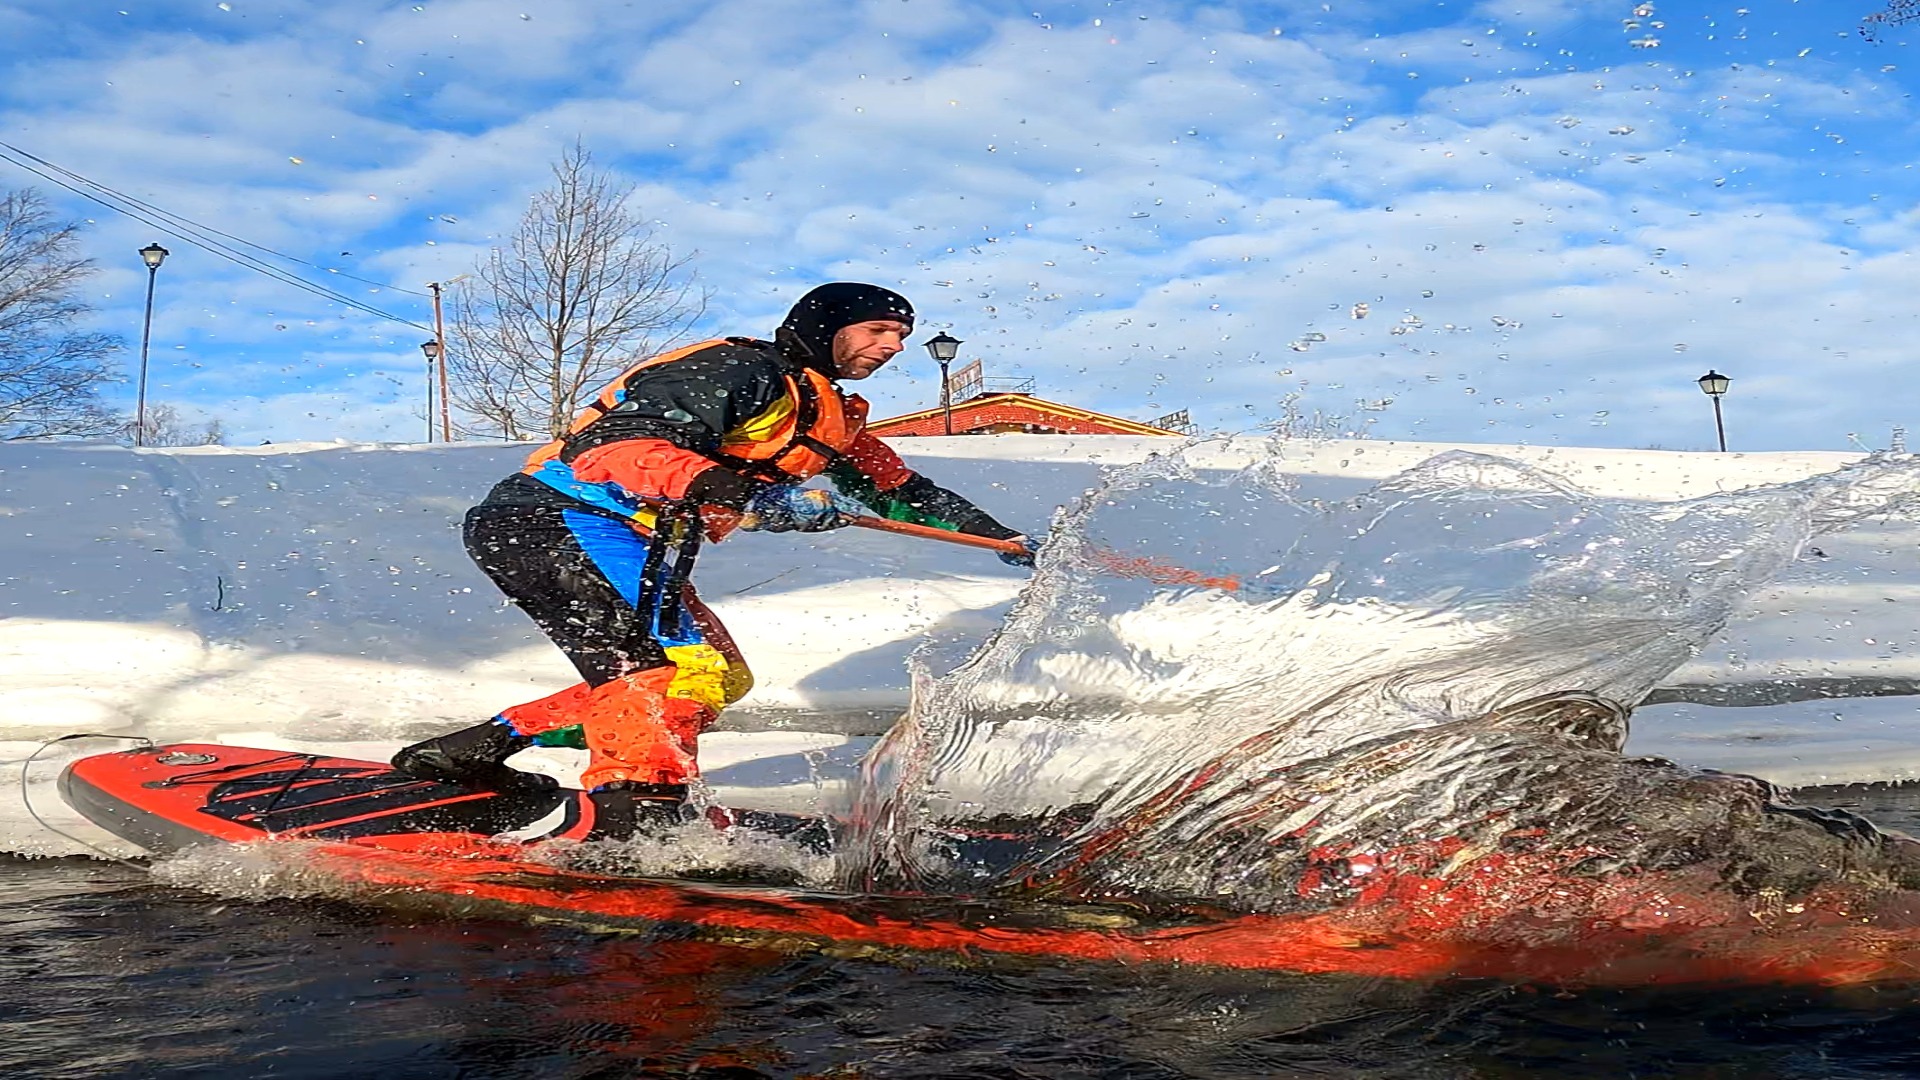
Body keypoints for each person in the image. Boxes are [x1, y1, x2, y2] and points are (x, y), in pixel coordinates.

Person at [392, 282, 1034, 840]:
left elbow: (901, 492)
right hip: (551, 519)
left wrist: (1001, 537)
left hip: (633, 543)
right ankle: (633, 814)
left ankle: (474, 750)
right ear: (827, 327)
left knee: (714, 677)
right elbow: (618, 446)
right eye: (878, 330)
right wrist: (743, 494)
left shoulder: (830, 412)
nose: (894, 346)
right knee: (654, 673)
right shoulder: (737, 371)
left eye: (903, 335)